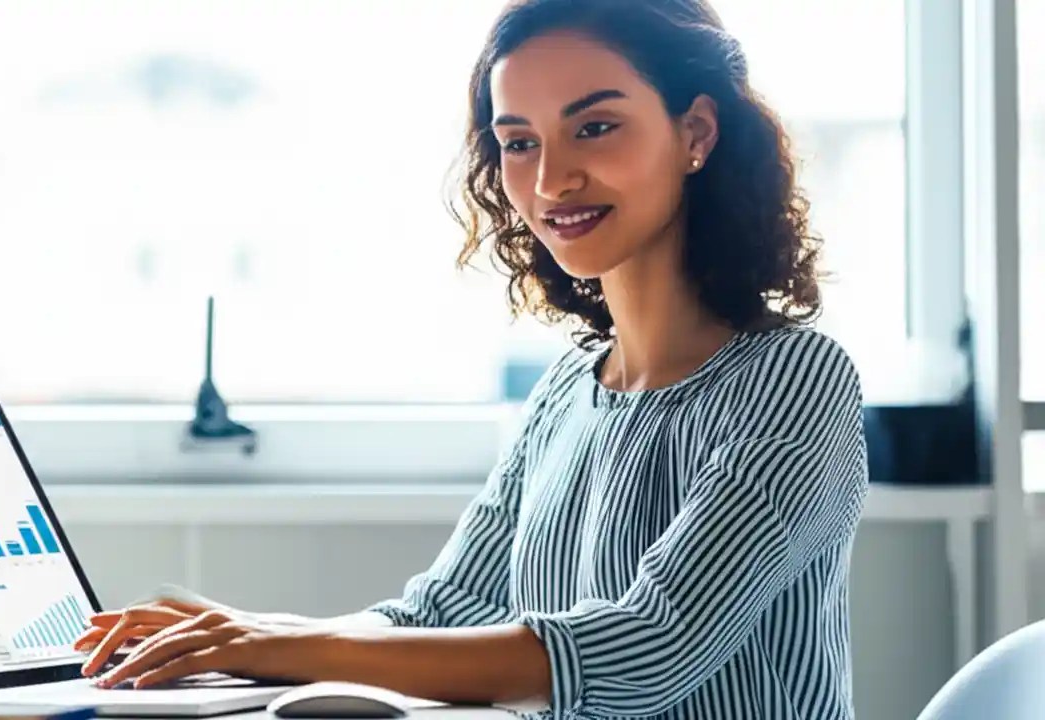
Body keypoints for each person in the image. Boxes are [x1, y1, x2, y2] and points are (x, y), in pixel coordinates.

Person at [73, 0, 869, 716]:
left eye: (594, 126)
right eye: (519, 142)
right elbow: (440, 612)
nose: (551, 179)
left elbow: (648, 648)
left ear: (695, 132)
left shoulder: (796, 379)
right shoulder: (568, 388)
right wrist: (241, 635)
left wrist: (273, 648)